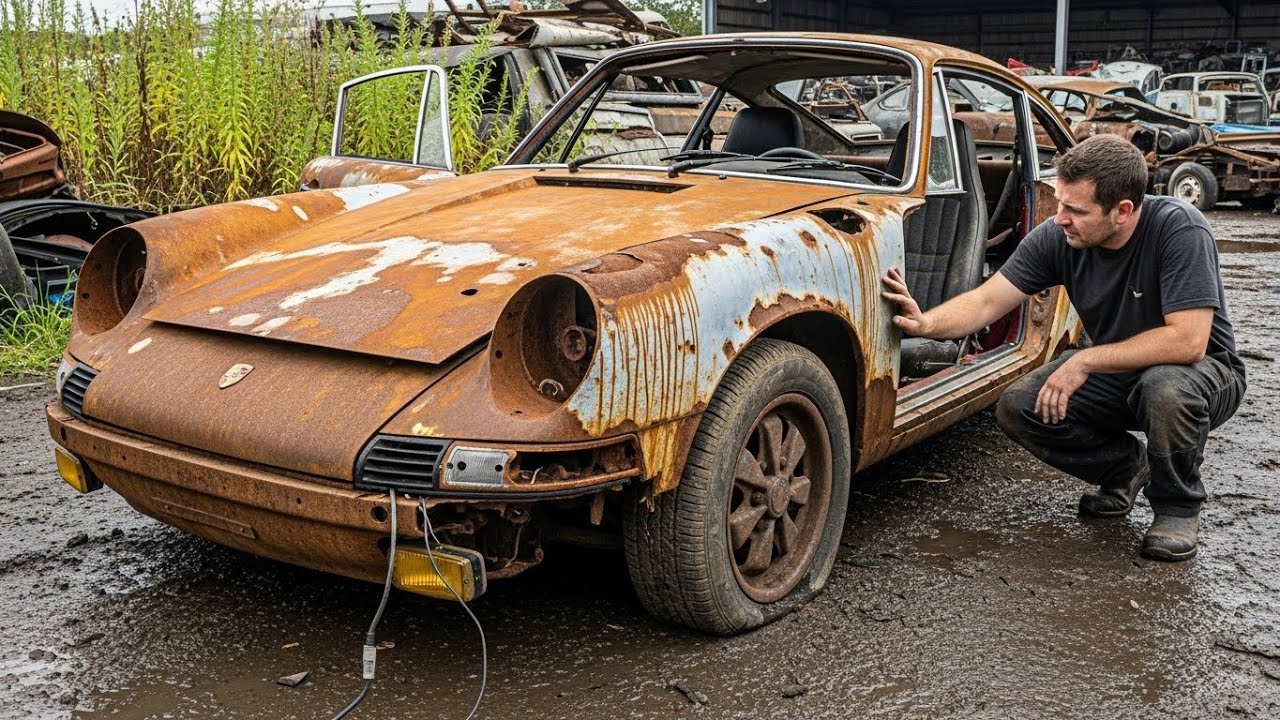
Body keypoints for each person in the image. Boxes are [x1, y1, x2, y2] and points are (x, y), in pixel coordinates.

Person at [880, 134, 1245, 561]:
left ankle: (1177, 507)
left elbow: (1188, 340)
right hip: (1121, 369)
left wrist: (1085, 360)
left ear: (1122, 211)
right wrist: (926, 322)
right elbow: (985, 300)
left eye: (1075, 210)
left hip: (1204, 373)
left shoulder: (1178, 228)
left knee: (1165, 389)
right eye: (1060, 202)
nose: (1060, 218)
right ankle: (1127, 469)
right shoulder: (1059, 238)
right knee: (1020, 405)